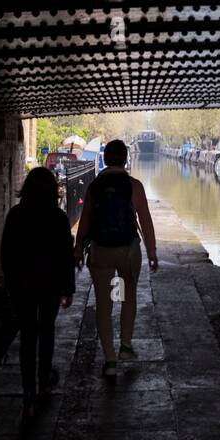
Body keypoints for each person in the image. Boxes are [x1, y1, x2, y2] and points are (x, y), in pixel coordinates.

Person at [74, 139, 159, 376]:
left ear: (104, 158)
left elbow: (86, 219)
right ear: (125, 159)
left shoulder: (95, 186)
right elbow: (146, 220)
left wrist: (78, 247)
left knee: (104, 304)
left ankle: (110, 359)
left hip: (101, 252)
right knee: (127, 297)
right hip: (128, 252)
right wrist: (152, 251)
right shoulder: (134, 185)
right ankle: (125, 345)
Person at [0, 167, 76, 418]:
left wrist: (11, 284)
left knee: (27, 337)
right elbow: (66, 256)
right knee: (46, 331)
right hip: (50, 284)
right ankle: (44, 378)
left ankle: (28, 393)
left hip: (23, 285)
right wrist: (68, 289)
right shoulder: (58, 217)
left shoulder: (15, 215)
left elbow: (7, 254)